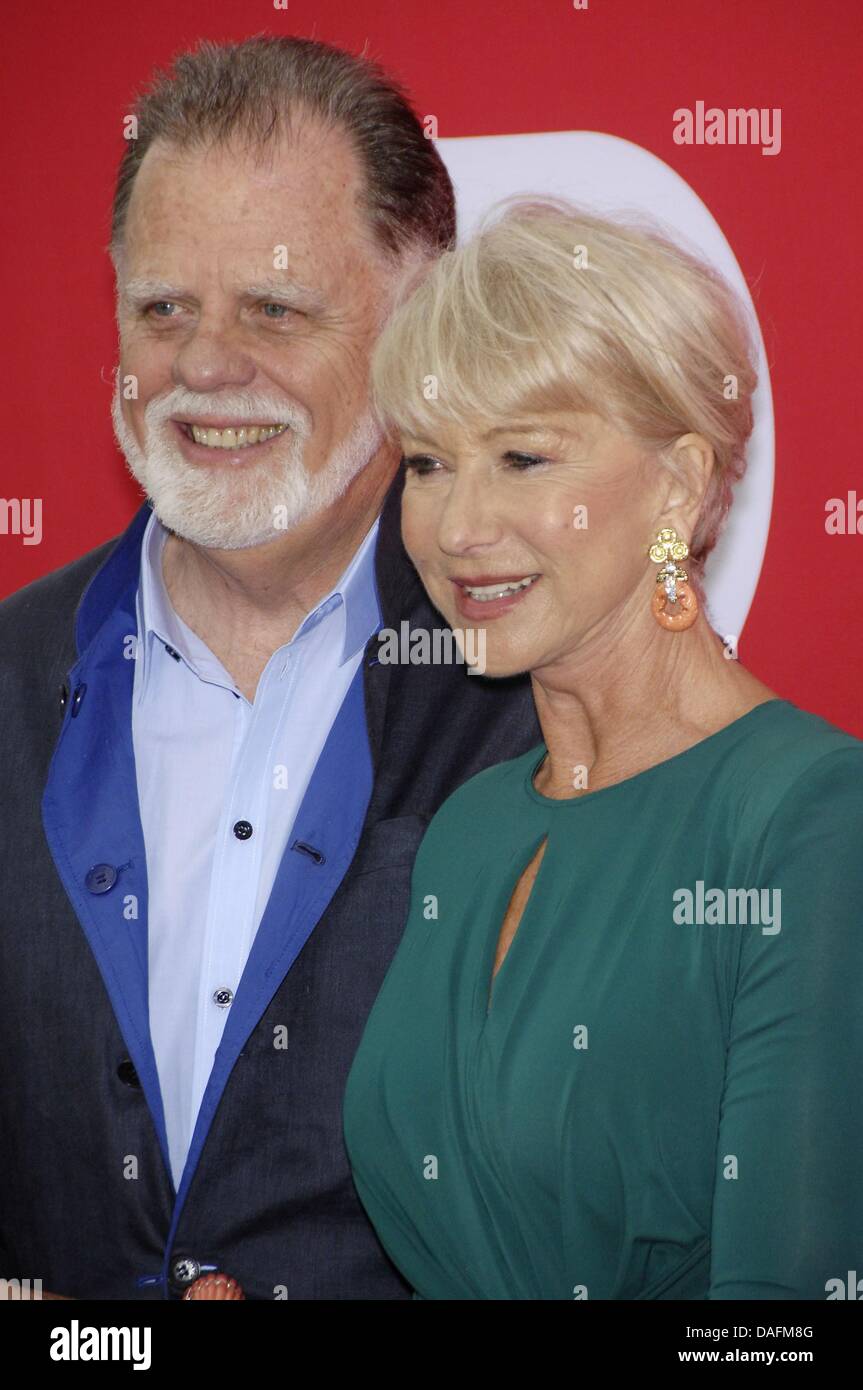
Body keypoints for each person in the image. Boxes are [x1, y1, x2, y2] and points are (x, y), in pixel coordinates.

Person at [0, 37, 542, 1301]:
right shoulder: (9, 677)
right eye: (163, 307)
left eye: (275, 309)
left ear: (422, 321)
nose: (201, 367)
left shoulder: (536, 696)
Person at [343, 197, 863, 1300]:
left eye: (522, 458)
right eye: (429, 463)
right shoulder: (469, 831)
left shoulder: (809, 819)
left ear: (675, 485)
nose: (456, 527)